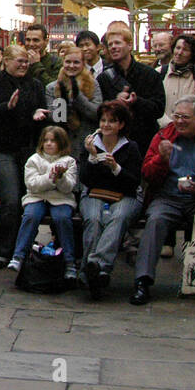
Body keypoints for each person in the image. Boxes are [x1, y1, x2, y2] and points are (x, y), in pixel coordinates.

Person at [130, 96, 195, 305]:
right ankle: (142, 280)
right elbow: (147, 175)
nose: (179, 122)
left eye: (185, 117)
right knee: (156, 220)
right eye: (176, 116)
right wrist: (161, 159)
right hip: (168, 196)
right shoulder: (163, 137)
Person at [0, 44, 50, 269]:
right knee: (9, 199)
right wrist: (7, 107)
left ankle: (21, 248)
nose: (23, 65)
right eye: (19, 61)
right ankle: (1, 250)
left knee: (26, 201)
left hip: (28, 149)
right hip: (2, 148)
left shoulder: (35, 85)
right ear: (7, 61)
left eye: (26, 62)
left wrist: (39, 114)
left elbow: (42, 111)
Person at [77, 100, 142, 299]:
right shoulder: (91, 144)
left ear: (121, 125)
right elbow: (86, 179)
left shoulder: (130, 148)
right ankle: (97, 272)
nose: (106, 125)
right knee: (94, 219)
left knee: (118, 217)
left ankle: (95, 266)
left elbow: (132, 183)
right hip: (95, 192)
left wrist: (115, 169)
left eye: (112, 121)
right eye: (103, 120)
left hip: (125, 195)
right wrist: (92, 158)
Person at [9, 126, 79, 278]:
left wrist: (60, 178)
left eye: (53, 141)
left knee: (62, 219)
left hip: (61, 199)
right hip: (37, 197)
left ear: (61, 143)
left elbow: (68, 188)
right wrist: (51, 177)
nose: (49, 144)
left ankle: (69, 261)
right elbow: (32, 184)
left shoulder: (69, 162)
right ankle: (18, 256)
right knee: (31, 216)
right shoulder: (34, 160)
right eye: (46, 140)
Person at [96, 22, 165, 158]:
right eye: (110, 45)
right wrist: (115, 104)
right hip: (115, 146)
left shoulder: (149, 74)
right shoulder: (104, 78)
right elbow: (98, 112)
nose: (113, 47)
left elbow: (159, 109)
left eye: (117, 43)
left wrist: (136, 101)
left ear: (129, 45)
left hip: (144, 143)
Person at [46, 44, 103, 163]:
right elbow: (56, 117)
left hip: (86, 145)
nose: (71, 66)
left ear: (83, 64)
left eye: (76, 62)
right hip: (62, 145)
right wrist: (64, 99)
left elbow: (96, 113)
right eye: (68, 62)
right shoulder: (52, 88)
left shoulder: (94, 84)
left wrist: (78, 96)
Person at [157, 34, 195, 128]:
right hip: (163, 130)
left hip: (190, 131)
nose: (179, 52)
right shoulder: (159, 73)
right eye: (178, 48)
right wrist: (170, 124)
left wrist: (183, 122)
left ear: (192, 54)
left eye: (185, 50)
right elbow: (156, 105)